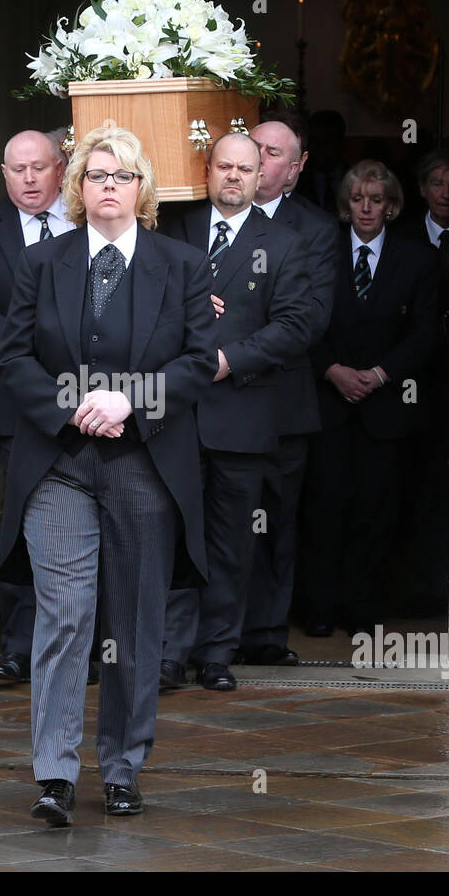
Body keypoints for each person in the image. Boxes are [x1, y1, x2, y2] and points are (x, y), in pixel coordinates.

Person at [0, 126, 216, 825]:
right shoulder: (43, 263)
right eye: (95, 176)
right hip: (58, 465)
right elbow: (13, 357)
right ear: (76, 189)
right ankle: (55, 773)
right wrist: (72, 408)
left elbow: (199, 361)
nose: (108, 186)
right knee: (64, 616)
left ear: (142, 188)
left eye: (121, 175)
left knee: (135, 621)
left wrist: (131, 399)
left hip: (144, 463)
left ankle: (122, 767)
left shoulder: (181, 265)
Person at [158, 132, 314, 690]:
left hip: (242, 415)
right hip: (175, 415)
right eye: (224, 166)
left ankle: (218, 653)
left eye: (245, 169)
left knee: (232, 542)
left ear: (262, 177)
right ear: (207, 169)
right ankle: (170, 654)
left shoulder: (287, 243)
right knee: (176, 538)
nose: (234, 177)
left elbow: (294, 327)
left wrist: (226, 360)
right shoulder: (172, 228)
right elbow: (143, 299)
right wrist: (187, 305)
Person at [0, 130, 74, 683]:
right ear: (3, 174)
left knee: (81, 520)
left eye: (39, 168)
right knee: (17, 520)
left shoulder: (91, 221)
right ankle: (19, 646)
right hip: (12, 399)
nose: (28, 179)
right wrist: (28, 351)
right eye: (17, 169)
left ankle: (85, 644)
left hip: (87, 397)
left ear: (60, 168)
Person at [298, 160, 438, 636]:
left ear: (392, 206)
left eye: (376, 200)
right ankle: (319, 611)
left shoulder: (415, 258)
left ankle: (361, 611)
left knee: (375, 513)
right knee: (323, 508)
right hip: (328, 405)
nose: (365, 208)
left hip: (386, 410)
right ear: (345, 204)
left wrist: (379, 375)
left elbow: (424, 333)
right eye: (357, 199)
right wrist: (333, 371)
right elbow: (301, 319)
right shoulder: (323, 251)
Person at [239, 118, 340, 666]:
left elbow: (311, 320)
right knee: (217, 520)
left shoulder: (317, 230)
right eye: (250, 148)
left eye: (272, 153)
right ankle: (212, 636)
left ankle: (265, 635)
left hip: (281, 403)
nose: (256, 160)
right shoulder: (200, 218)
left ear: (296, 169)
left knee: (274, 523)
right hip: (212, 400)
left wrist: (232, 349)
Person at [400, 149, 449, 618]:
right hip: (410, 384)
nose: (446, 193)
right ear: (422, 189)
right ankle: (416, 587)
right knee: (416, 482)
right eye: (437, 183)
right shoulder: (402, 237)